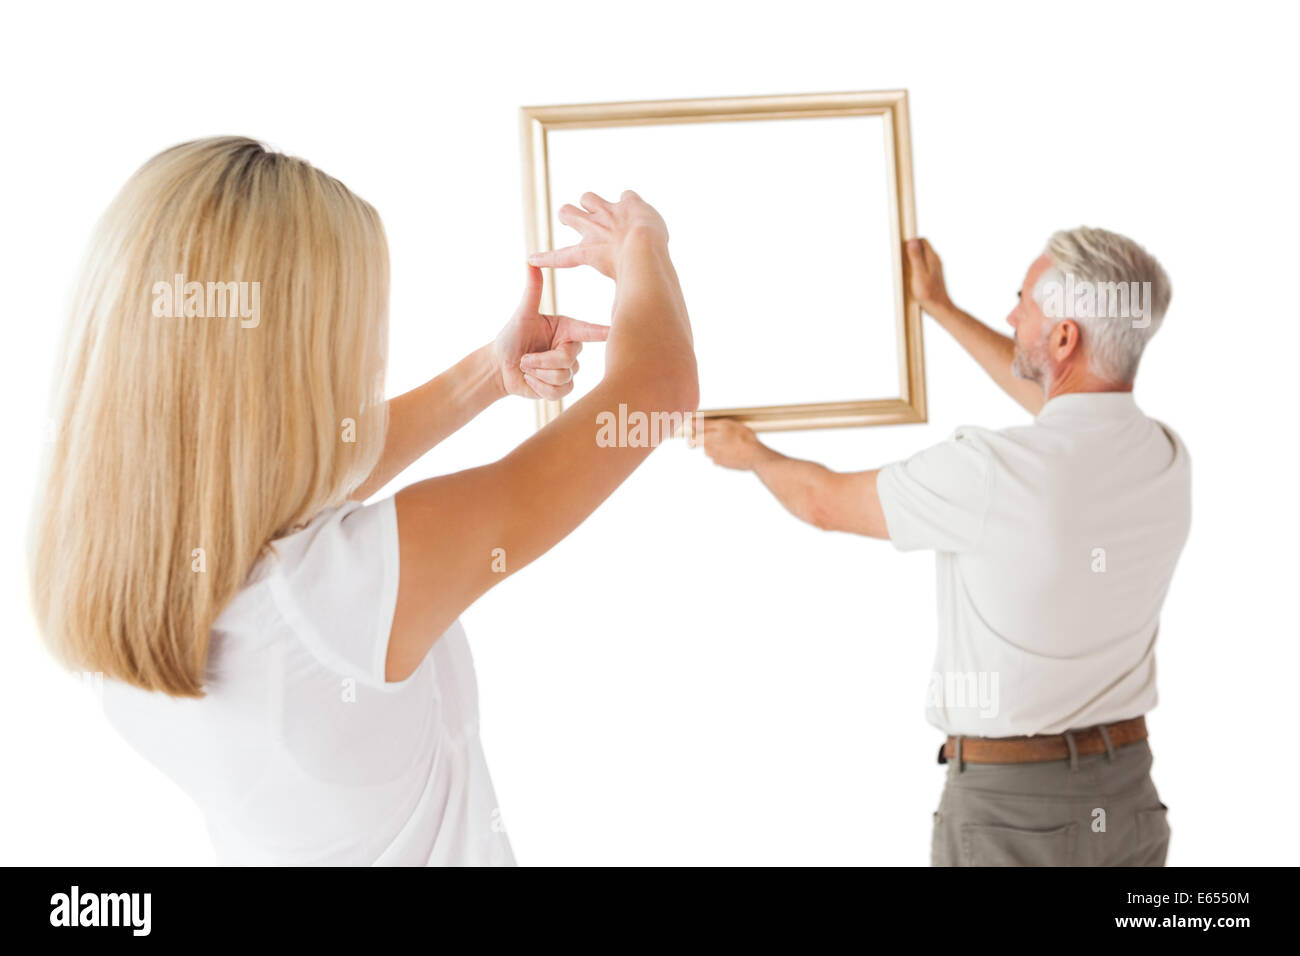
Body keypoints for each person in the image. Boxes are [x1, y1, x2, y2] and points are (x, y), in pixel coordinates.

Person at [28, 137, 697, 865]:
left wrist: (489, 374)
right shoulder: (332, 604)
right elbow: (657, 394)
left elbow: (287, 472)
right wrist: (643, 249)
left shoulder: (107, 557)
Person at [693, 229, 1190, 866]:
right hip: (1127, 800)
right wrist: (941, 307)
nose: (1011, 315)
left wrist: (753, 455)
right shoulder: (1164, 456)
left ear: (1065, 339)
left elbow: (822, 502)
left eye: (1022, 304)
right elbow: (1068, 403)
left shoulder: (989, 471)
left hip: (1015, 811)